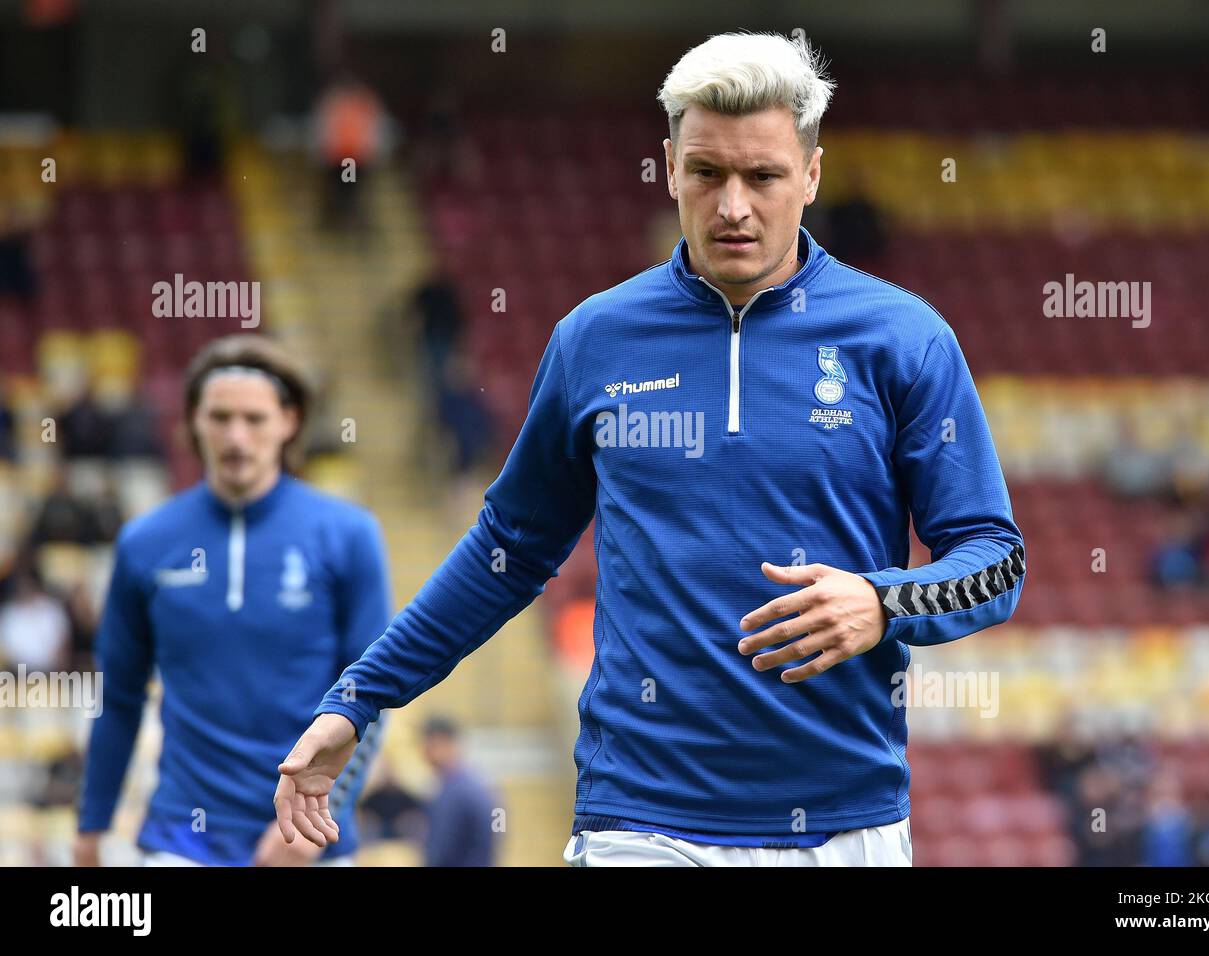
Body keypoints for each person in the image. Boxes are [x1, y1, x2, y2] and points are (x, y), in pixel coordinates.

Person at [276, 32, 1025, 867]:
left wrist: (884, 603)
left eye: (764, 176)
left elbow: (995, 561)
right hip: (640, 823)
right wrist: (357, 699)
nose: (733, 205)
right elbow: (507, 549)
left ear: (811, 175)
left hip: (844, 827)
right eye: (707, 173)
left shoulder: (904, 339)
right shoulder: (596, 339)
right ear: (670, 168)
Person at [76, 334, 391, 866]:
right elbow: (119, 696)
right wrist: (92, 823)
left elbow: (373, 697)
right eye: (219, 417)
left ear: (288, 422)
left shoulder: (348, 534)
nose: (236, 437)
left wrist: (311, 826)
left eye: (255, 418)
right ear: (193, 424)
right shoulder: (145, 542)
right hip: (184, 839)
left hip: (312, 842)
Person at [420, 717, 499, 867]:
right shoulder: (480, 781)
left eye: (430, 744)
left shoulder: (454, 790)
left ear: (446, 743)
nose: (424, 751)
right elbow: (499, 826)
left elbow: (440, 850)